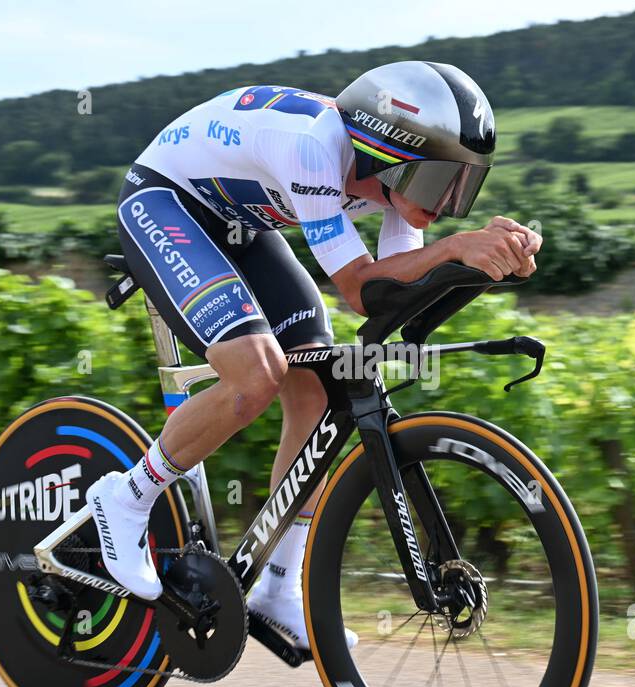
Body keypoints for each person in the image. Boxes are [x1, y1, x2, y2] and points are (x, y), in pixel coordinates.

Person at [88, 60, 540, 650]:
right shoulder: (313, 149)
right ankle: (126, 496)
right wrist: (456, 248)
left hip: (240, 225)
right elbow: (358, 287)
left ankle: (277, 585)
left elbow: (388, 300)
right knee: (257, 376)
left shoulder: (389, 186)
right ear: (384, 153)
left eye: (460, 186)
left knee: (319, 388)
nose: (442, 204)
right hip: (166, 202)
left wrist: (485, 265)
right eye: (436, 182)